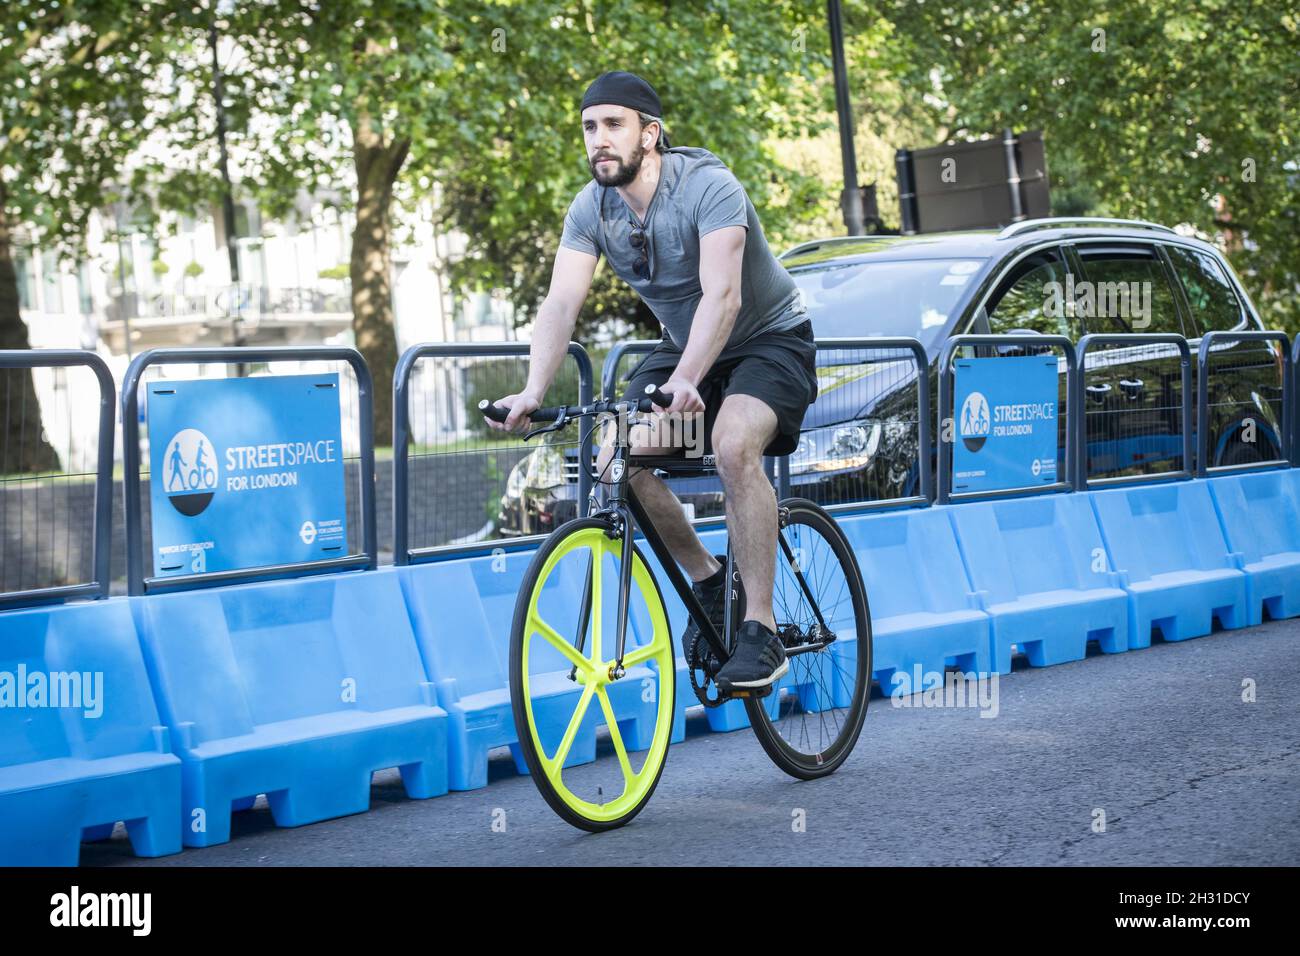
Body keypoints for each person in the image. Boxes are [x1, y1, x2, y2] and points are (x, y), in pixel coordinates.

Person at [486, 71, 817, 691]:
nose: (599, 140)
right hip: (684, 349)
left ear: (651, 133)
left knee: (731, 443)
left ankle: (762, 629)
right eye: (589, 127)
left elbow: (723, 297)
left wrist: (690, 379)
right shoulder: (591, 209)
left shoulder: (709, 188)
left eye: (614, 125)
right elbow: (560, 304)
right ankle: (711, 580)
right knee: (613, 457)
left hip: (770, 340)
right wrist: (533, 391)